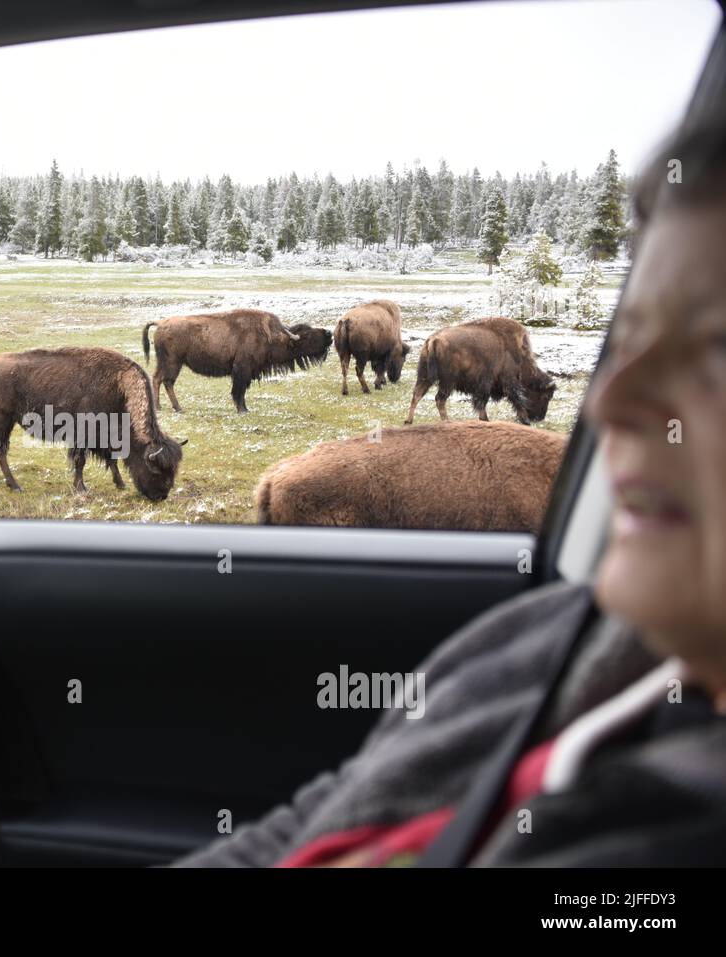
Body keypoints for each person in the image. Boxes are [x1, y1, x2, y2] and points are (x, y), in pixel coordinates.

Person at [176, 119, 726, 867]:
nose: (611, 402)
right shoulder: (530, 643)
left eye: (717, 345)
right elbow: (325, 813)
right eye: (632, 338)